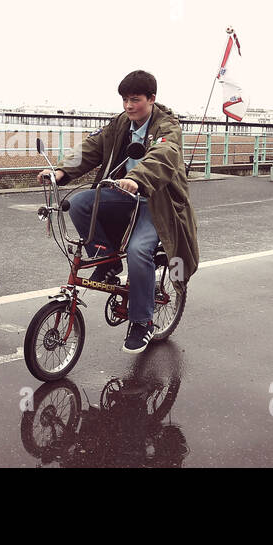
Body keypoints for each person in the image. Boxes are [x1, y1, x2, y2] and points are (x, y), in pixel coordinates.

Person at [37, 70, 198, 354]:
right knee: (80, 203)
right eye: (124, 100)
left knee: (138, 251)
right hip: (124, 195)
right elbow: (92, 146)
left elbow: (164, 155)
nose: (128, 106)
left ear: (151, 99)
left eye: (134, 100)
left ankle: (142, 321)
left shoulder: (167, 127)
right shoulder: (121, 123)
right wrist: (61, 170)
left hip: (156, 203)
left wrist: (138, 179)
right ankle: (106, 258)